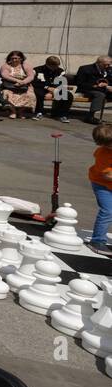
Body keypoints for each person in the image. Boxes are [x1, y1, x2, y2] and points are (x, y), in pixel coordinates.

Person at [88, 123, 112, 257]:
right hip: (102, 185)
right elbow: (108, 175)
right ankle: (97, 241)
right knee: (108, 211)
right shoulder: (103, 154)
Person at [33, 56, 72, 122]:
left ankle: (62, 115)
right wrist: (47, 88)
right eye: (54, 66)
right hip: (41, 88)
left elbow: (62, 83)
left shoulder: (60, 71)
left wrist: (52, 93)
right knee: (39, 93)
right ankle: (39, 112)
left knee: (68, 95)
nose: (56, 68)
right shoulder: (37, 70)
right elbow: (35, 82)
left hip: (55, 89)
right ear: (48, 64)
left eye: (57, 66)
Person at [74, 55, 111, 124]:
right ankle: (90, 116)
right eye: (105, 65)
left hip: (105, 90)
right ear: (99, 63)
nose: (107, 66)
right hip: (88, 90)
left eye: (109, 64)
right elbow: (80, 83)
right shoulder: (85, 69)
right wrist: (96, 86)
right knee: (99, 95)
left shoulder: (109, 69)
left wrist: (109, 86)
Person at [0, 51, 37, 120]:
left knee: (30, 95)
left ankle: (20, 112)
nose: (14, 60)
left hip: (24, 85)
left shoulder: (26, 66)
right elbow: (4, 75)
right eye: (12, 58)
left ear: (21, 58)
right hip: (9, 85)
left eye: (16, 58)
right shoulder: (6, 66)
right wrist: (17, 81)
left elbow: (31, 76)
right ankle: (13, 111)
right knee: (6, 93)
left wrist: (22, 82)